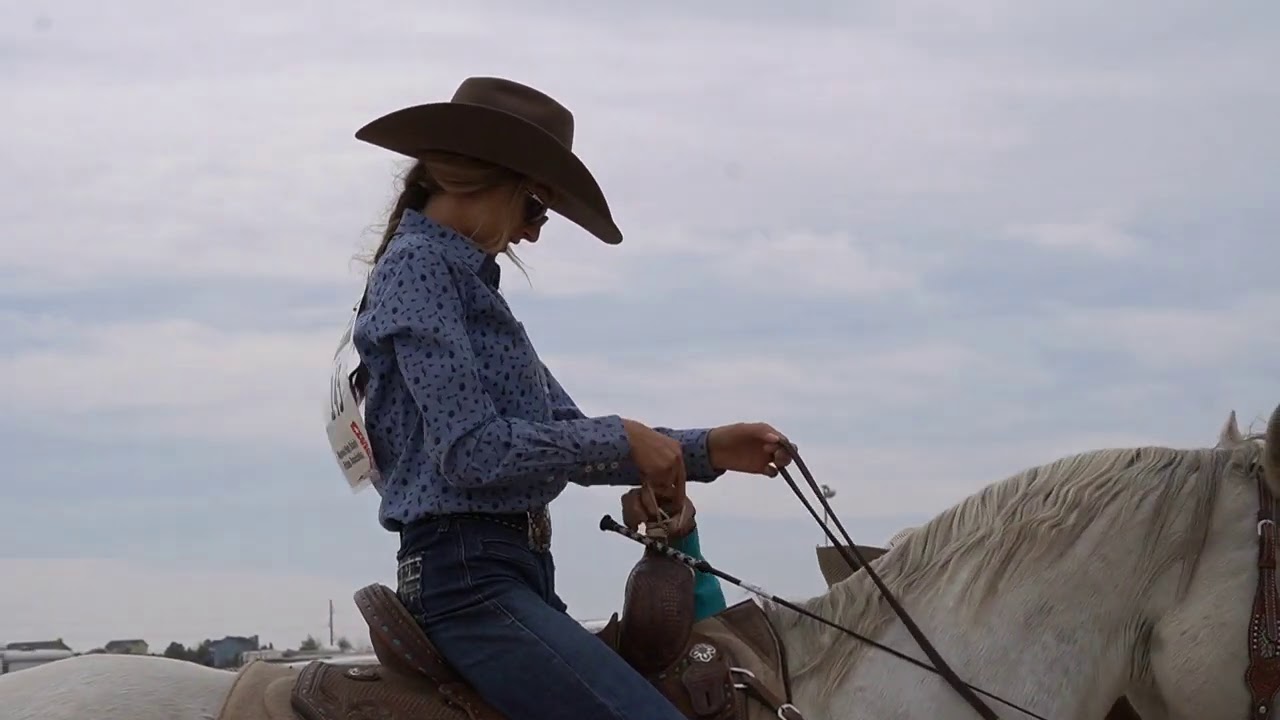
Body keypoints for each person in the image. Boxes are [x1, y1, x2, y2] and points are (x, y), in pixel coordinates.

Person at [348, 76, 792, 720]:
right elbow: (470, 452)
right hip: (470, 580)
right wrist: (624, 437)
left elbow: (563, 438)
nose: (534, 233)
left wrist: (705, 449)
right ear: (481, 177)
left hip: (510, 573)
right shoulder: (421, 267)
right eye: (535, 207)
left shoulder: (467, 287)